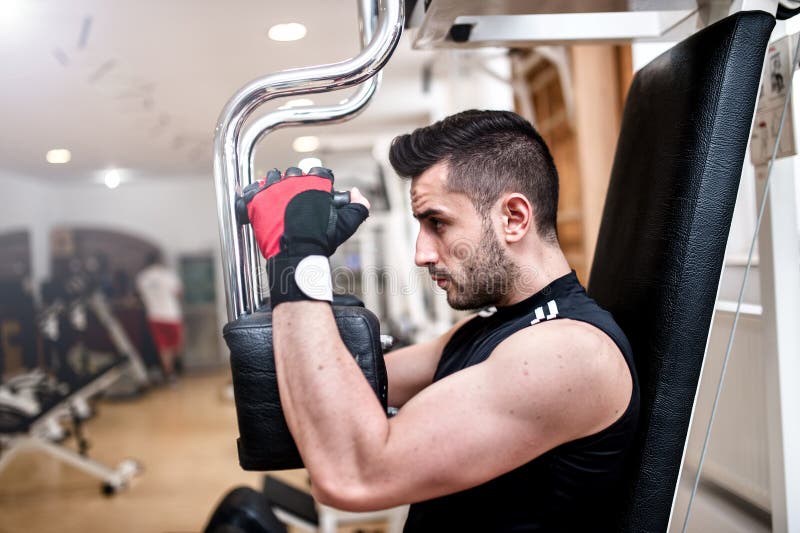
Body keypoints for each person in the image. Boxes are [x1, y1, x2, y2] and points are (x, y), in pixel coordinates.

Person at [241, 110, 640, 532]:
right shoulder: (491, 327)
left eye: (438, 223)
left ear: (514, 218)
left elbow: (355, 474)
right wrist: (299, 263)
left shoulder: (570, 354)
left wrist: (298, 256)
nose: (422, 254)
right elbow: (317, 389)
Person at [135, 251, 183, 382]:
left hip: (154, 316)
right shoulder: (168, 275)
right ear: (160, 260)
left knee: (163, 347)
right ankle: (174, 369)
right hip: (171, 315)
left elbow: (139, 296)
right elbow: (178, 293)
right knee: (175, 346)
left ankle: (169, 373)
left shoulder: (142, 277)